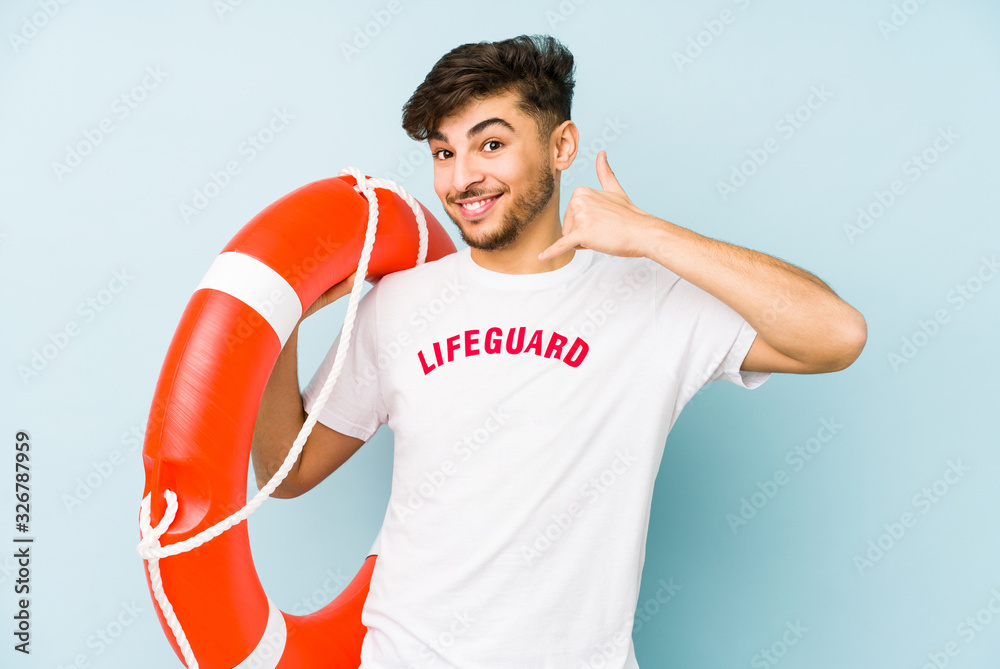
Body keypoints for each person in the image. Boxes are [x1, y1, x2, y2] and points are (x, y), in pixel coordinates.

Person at [250, 34, 866, 669]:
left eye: (491, 144)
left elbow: (836, 335)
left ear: (560, 145)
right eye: (443, 151)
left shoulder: (650, 302)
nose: (463, 178)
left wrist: (650, 235)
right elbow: (287, 474)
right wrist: (284, 317)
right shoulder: (398, 303)